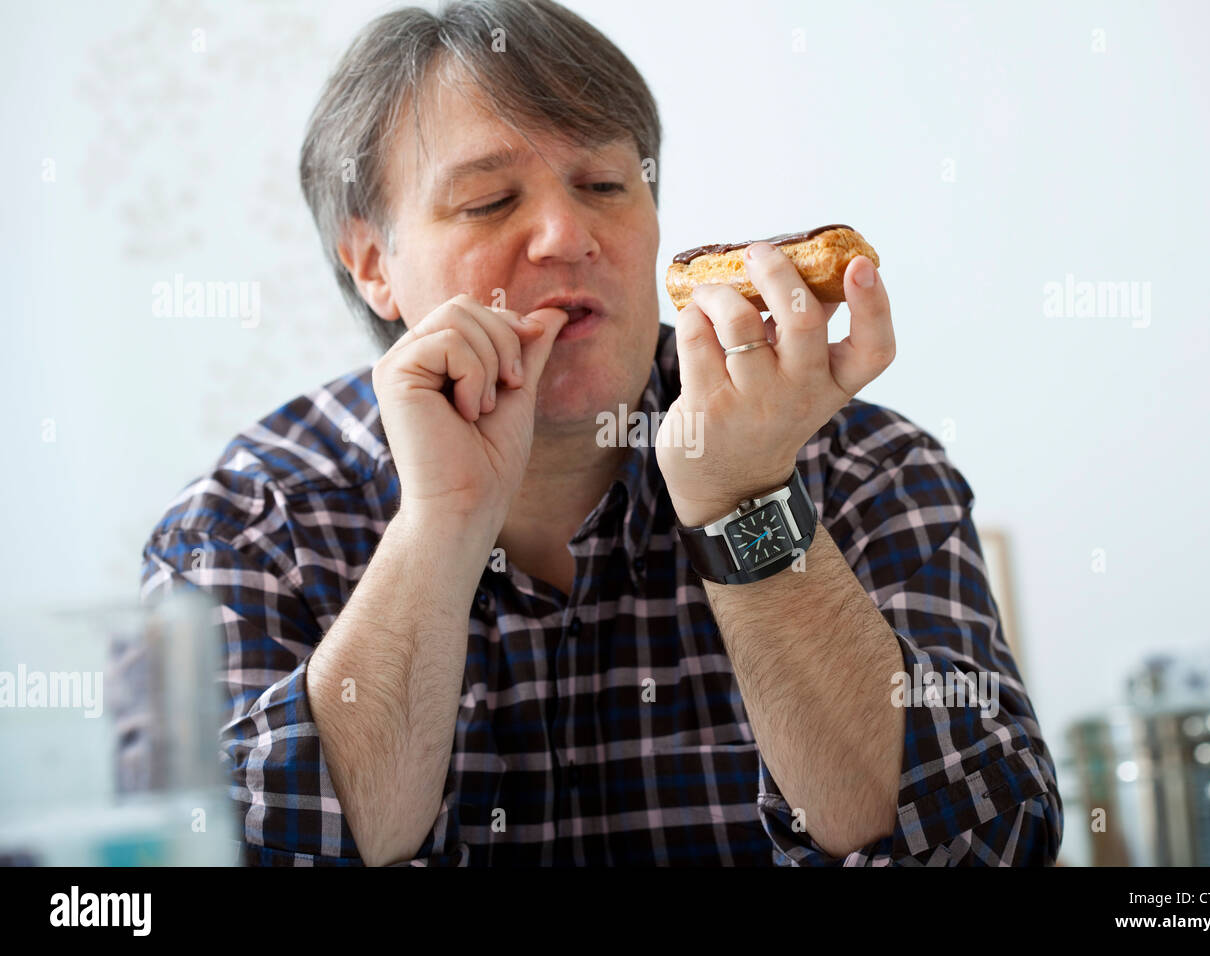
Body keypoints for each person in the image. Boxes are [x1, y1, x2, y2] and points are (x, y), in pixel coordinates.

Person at [140, 0, 1062, 866]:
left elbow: (985, 840)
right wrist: (441, 525)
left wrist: (746, 502)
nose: (566, 233)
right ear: (374, 264)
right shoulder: (252, 523)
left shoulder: (863, 468)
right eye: (490, 201)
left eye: (604, 183)